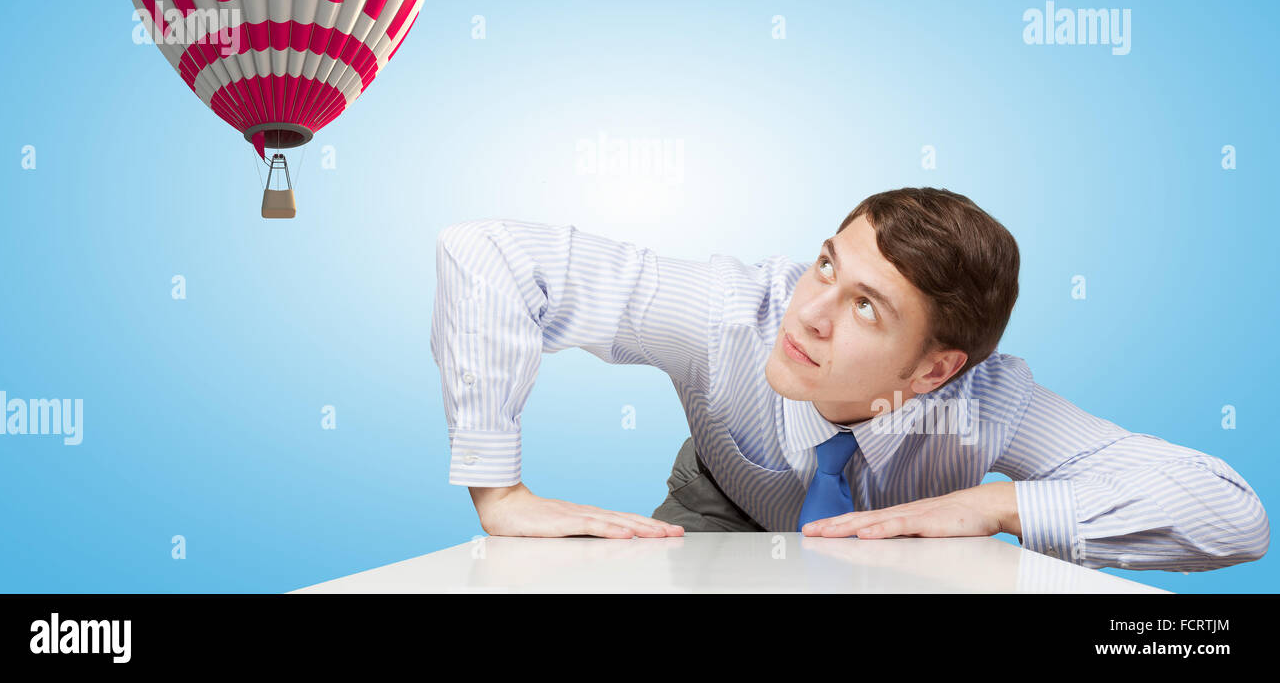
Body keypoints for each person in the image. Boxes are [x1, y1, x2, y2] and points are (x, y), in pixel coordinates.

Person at [428, 186, 1269, 571]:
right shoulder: (730, 316)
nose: (808, 313)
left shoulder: (987, 403)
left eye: (866, 308)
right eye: (825, 264)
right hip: (724, 502)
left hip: (901, 549)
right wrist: (498, 492)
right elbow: (488, 252)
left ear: (938, 369)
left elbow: (1230, 515)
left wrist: (995, 506)